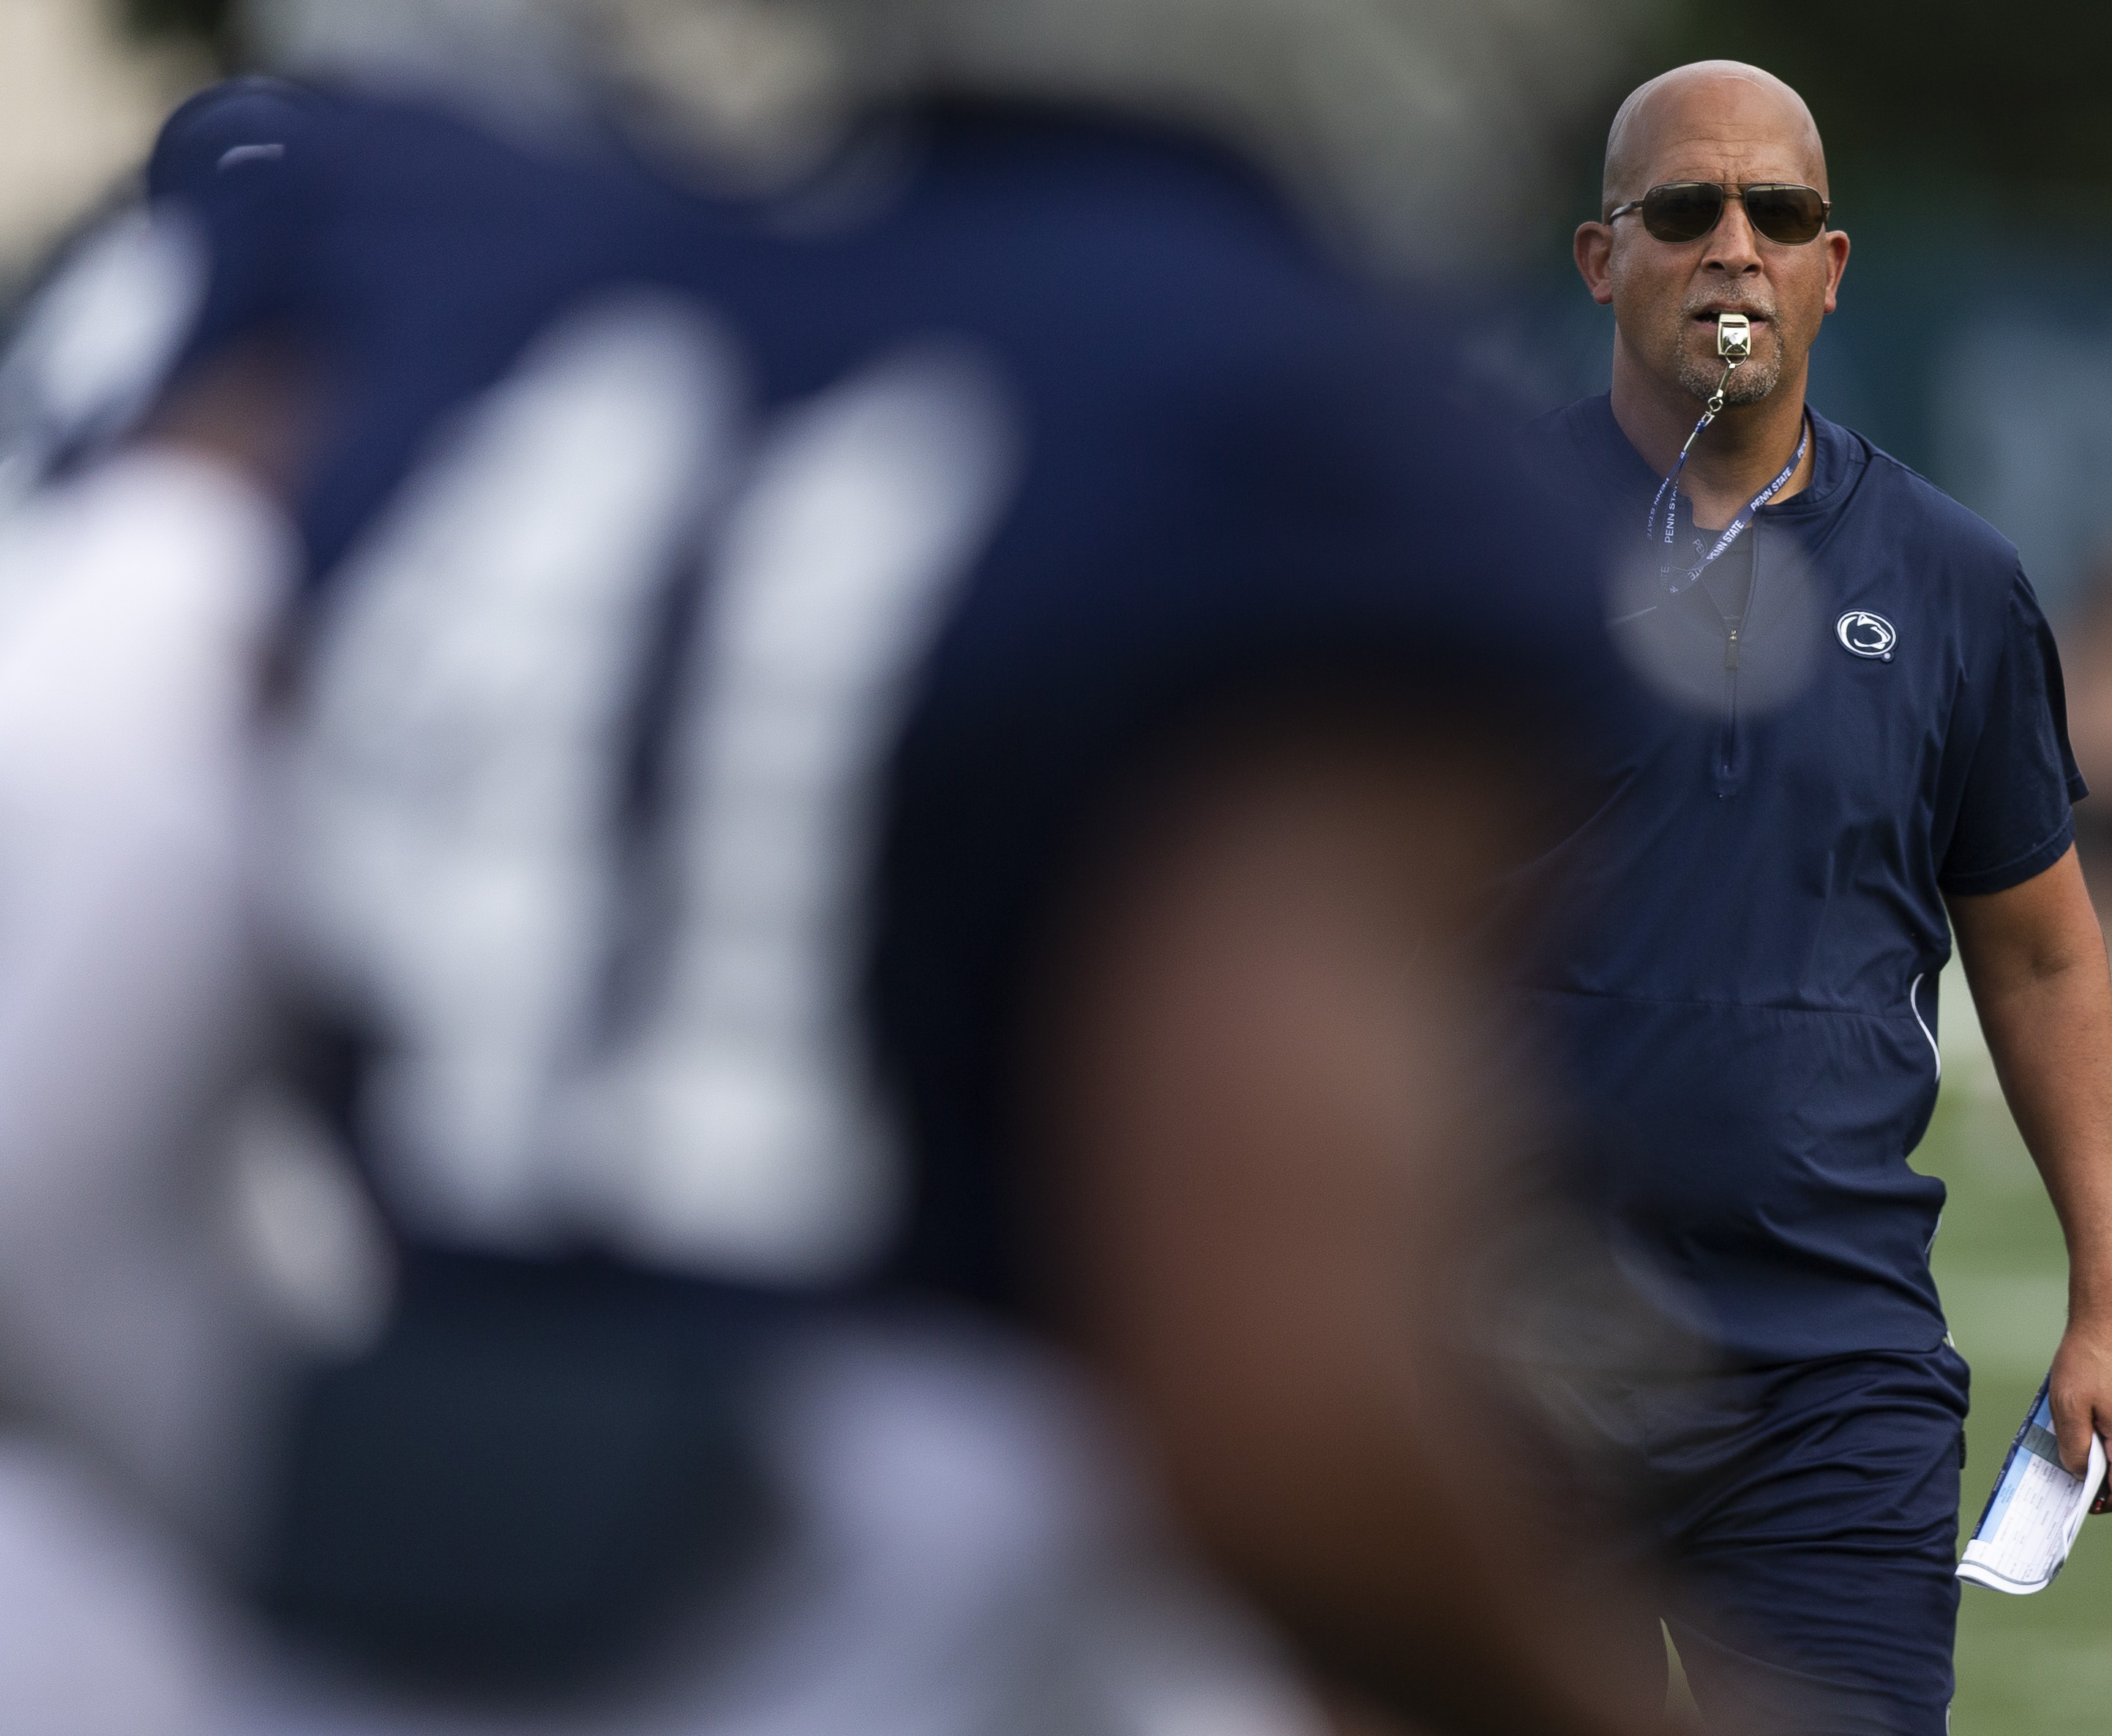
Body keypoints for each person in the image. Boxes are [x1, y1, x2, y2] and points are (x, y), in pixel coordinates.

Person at [0, 6, 1669, 1731]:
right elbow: (1292, 1428)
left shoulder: (582, 315)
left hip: (382, 1574)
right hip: (907, 1609)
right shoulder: (1293, 429)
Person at [1515, 61, 2112, 1733]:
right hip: (1506, 1348)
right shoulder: (1476, 544)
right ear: (1603, 258)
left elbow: (2041, 958)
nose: (1733, 248)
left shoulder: (1952, 580)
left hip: (1829, 1363)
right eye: (1685, 211)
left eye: (1779, 212)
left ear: (1831, 264)